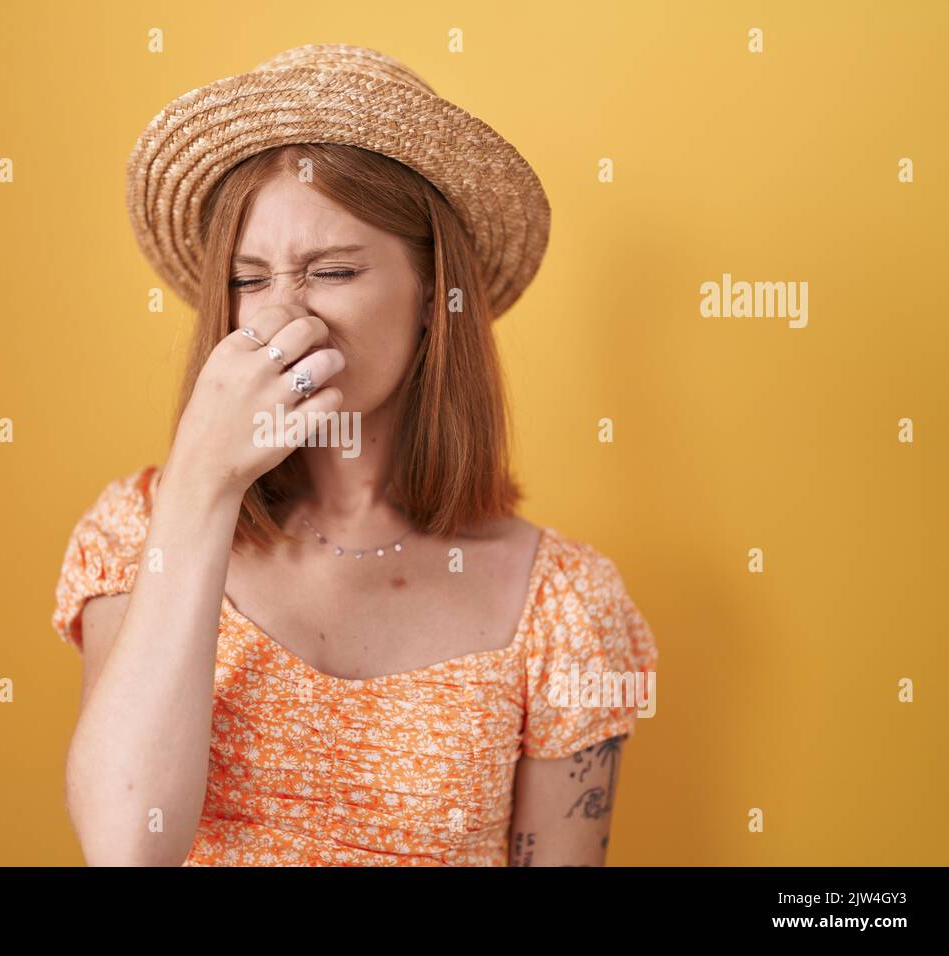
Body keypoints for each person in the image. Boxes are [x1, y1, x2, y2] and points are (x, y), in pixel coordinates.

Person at [52, 44, 658, 866]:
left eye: (332, 270)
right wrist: (201, 487)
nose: (279, 318)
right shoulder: (134, 532)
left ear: (431, 302)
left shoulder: (566, 606)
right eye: (247, 279)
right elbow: (127, 847)